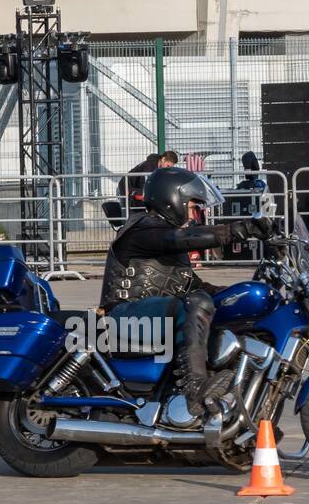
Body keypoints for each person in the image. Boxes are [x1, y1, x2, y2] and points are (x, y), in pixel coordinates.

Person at [99, 167, 268, 416]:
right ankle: (195, 388)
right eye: (192, 206)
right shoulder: (143, 229)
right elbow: (179, 238)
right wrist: (238, 230)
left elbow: (195, 286)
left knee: (223, 305)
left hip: (154, 319)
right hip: (124, 318)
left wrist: (237, 294)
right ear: (173, 199)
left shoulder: (172, 249)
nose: (195, 214)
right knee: (195, 303)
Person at [119, 150, 179, 215]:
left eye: (170, 167)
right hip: (126, 187)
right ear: (163, 159)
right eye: (168, 166)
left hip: (135, 188)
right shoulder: (150, 167)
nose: (168, 169)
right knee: (134, 213)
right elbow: (146, 188)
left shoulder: (159, 166)